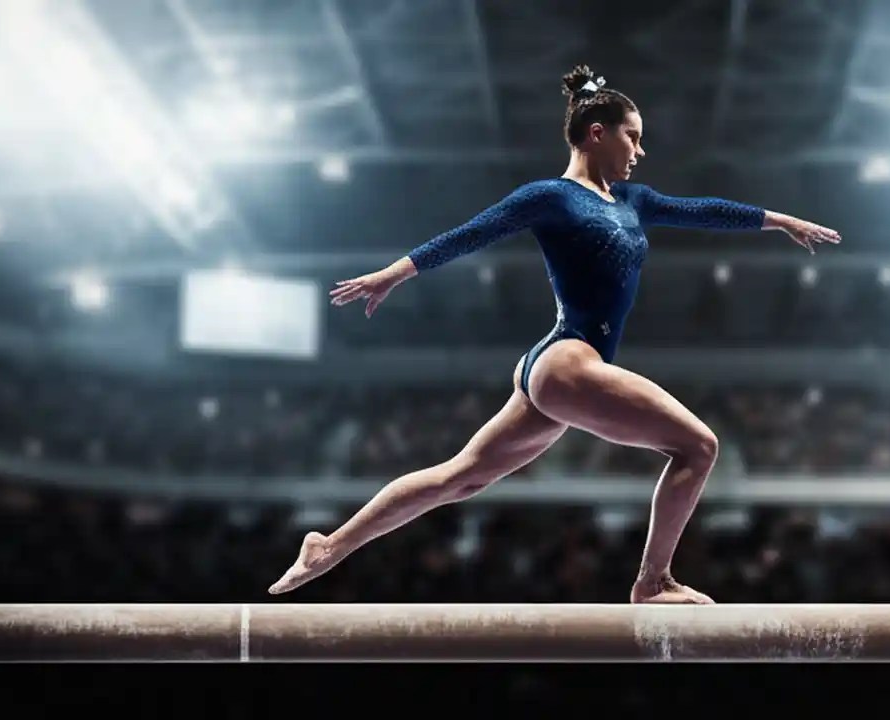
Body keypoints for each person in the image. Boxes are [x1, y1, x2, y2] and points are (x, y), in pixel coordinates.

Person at [269, 64, 841, 604]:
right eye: (633, 138)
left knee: (462, 479)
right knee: (699, 447)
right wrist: (395, 273)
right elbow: (473, 233)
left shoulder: (634, 201)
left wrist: (778, 220)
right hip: (567, 361)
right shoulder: (550, 197)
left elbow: (702, 210)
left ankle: (329, 543)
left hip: (557, 369)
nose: (640, 153)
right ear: (597, 133)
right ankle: (653, 581)